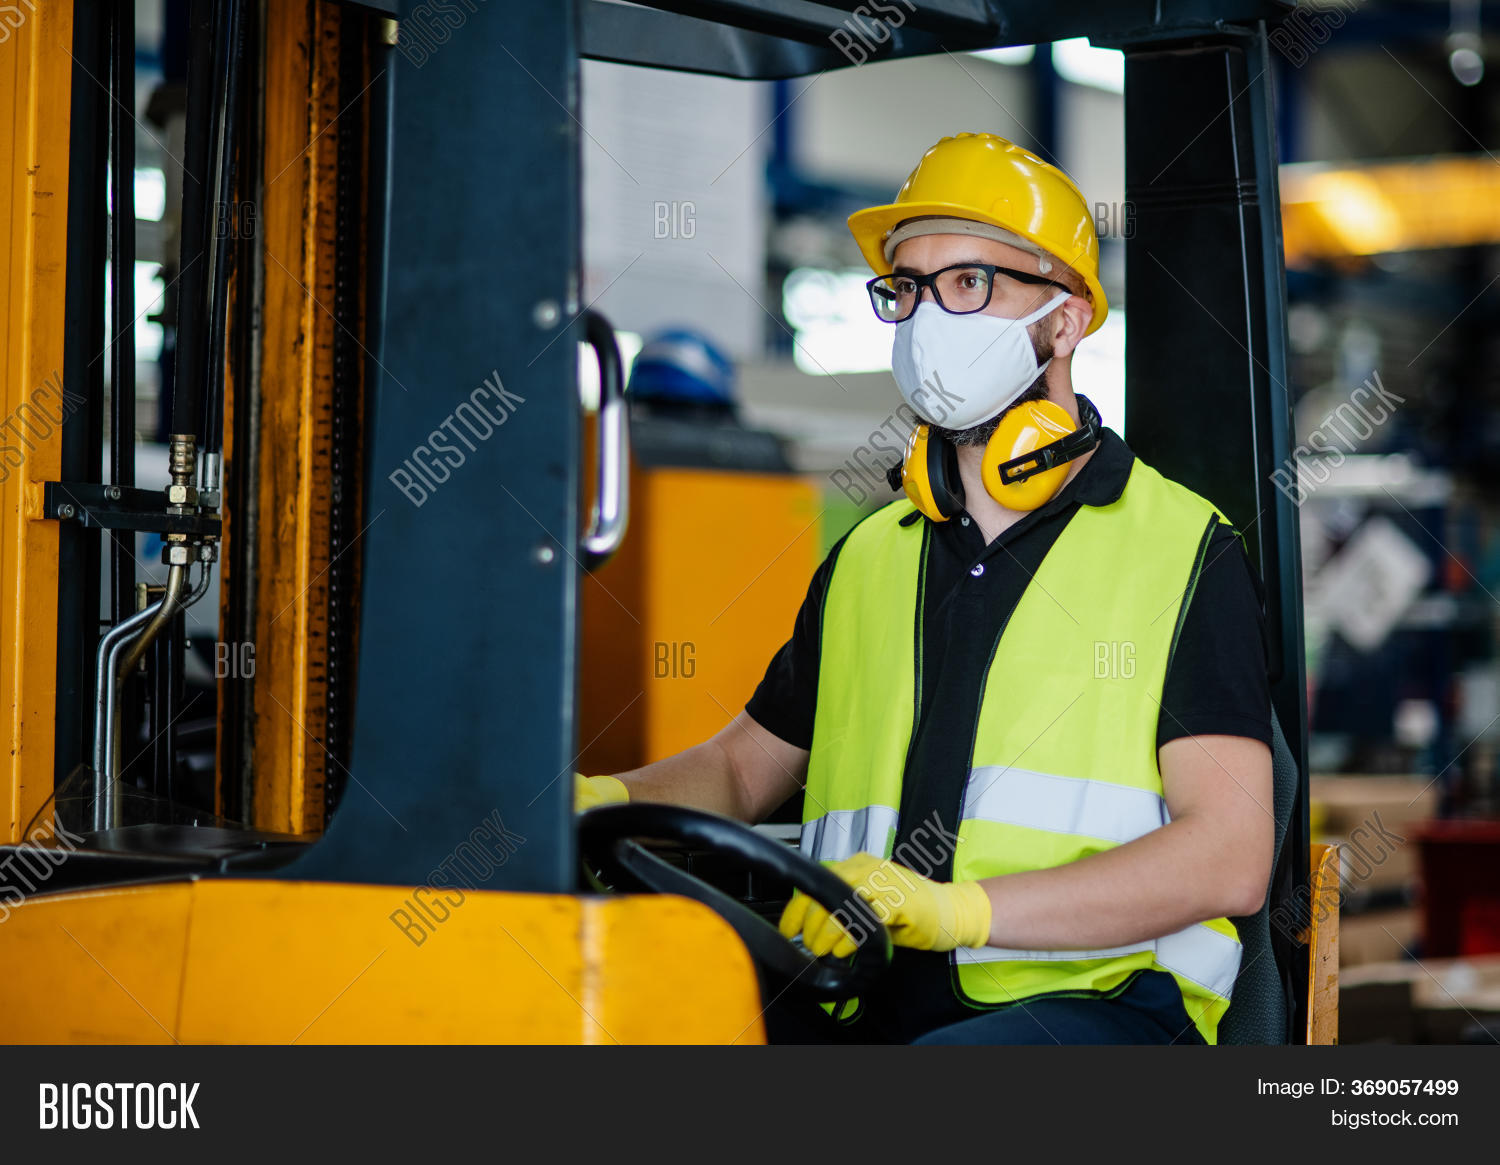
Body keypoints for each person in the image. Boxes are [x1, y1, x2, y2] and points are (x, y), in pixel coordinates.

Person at [577, 132, 1273, 1045]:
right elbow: (744, 768)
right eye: (906, 288)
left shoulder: (1183, 550)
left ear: (1065, 321)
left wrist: (960, 911)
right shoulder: (872, 556)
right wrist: (608, 800)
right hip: (850, 991)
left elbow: (1229, 855)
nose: (926, 316)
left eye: (969, 283)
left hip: (1094, 1010)